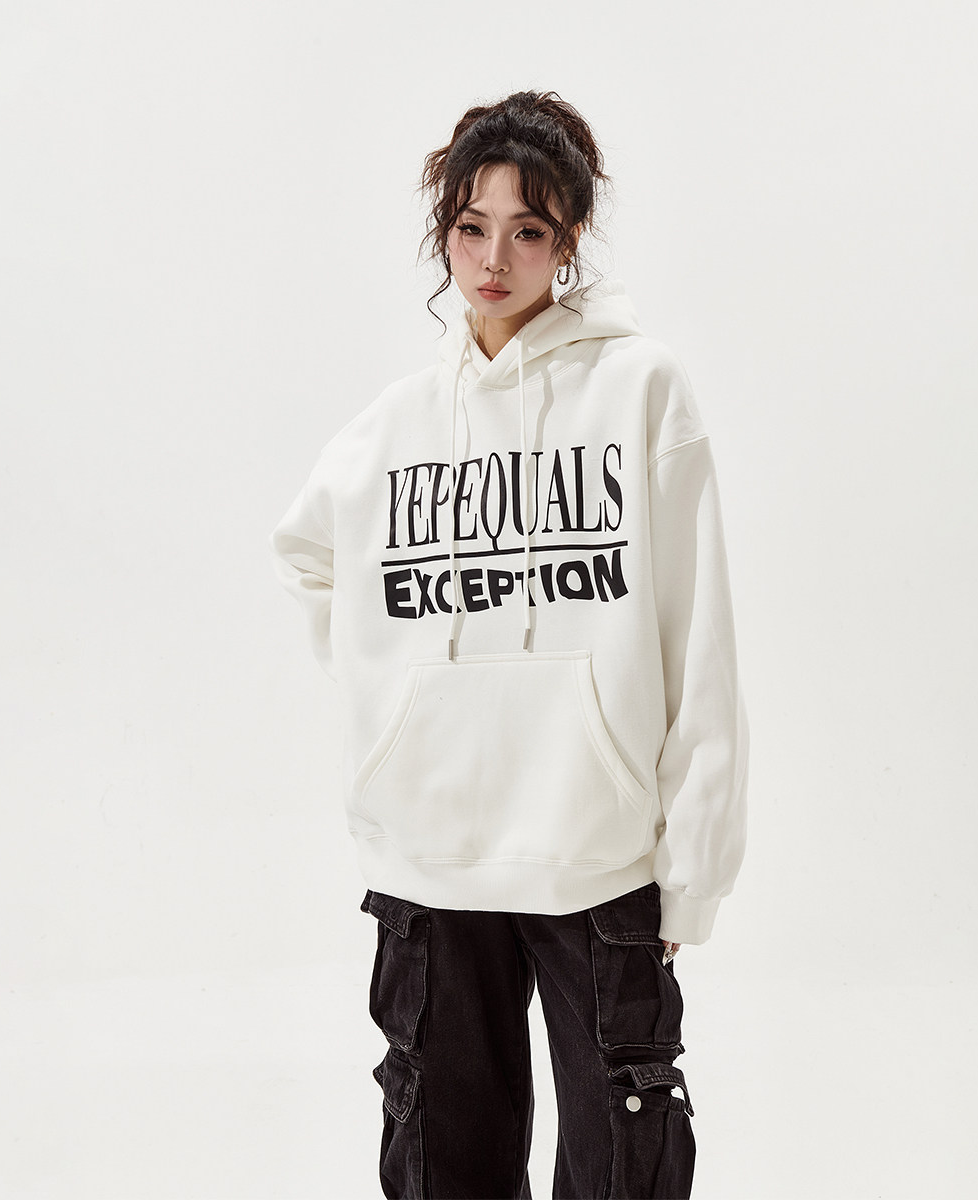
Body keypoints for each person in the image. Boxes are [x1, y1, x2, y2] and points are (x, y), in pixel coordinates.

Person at [270, 89, 749, 1200]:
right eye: (471, 226)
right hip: (429, 862)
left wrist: (692, 873)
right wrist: (397, 696)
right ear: (444, 232)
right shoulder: (395, 426)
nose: (494, 260)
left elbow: (699, 633)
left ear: (567, 240)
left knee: (623, 1170)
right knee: (446, 1173)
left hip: (597, 856)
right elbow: (306, 555)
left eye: (528, 230)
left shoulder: (640, 389)